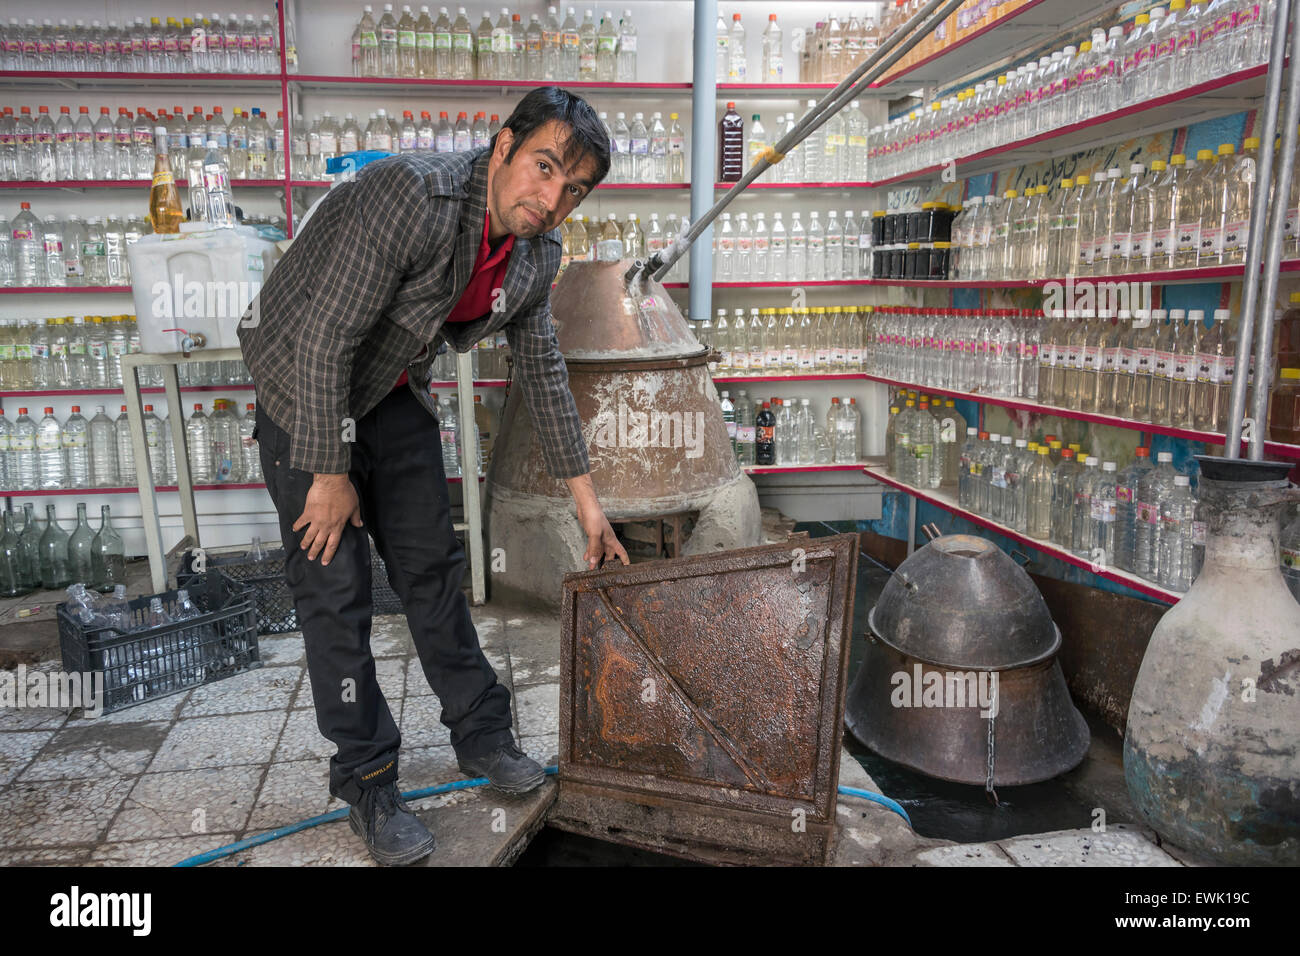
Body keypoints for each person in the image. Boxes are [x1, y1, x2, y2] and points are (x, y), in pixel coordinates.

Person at [238, 87, 630, 866]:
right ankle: (367, 778)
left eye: (573, 188)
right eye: (544, 167)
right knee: (336, 592)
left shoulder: (534, 254)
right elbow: (322, 337)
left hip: (387, 390)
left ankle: (481, 733)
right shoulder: (411, 196)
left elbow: (543, 372)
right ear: (503, 147)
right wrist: (329, 470)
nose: (551, 199)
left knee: (433, 571)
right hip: (301, 389)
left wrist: (590, 506)